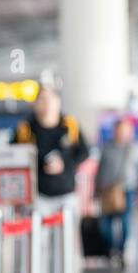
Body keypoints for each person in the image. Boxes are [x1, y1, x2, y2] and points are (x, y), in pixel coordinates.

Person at [12, 84, 89, 218]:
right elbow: (14, 157)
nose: (47, 104)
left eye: (51, 99)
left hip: (66, 194)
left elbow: (83, 152)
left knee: (67, 236)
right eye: (42, 99)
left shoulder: (70, 124)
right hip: (39, 196)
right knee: (40, 236)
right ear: (35, 104)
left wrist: (65, 164)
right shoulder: (25, 129)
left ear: (58, 102)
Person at [94, 117, 138, 267]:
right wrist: (96, 189)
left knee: (126, 222)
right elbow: (100, 169)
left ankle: (121, 251)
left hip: (127, 190)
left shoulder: (135, 149)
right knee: (104, 224)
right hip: (107, 190)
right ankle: (111, 249)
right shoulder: (107, 147)